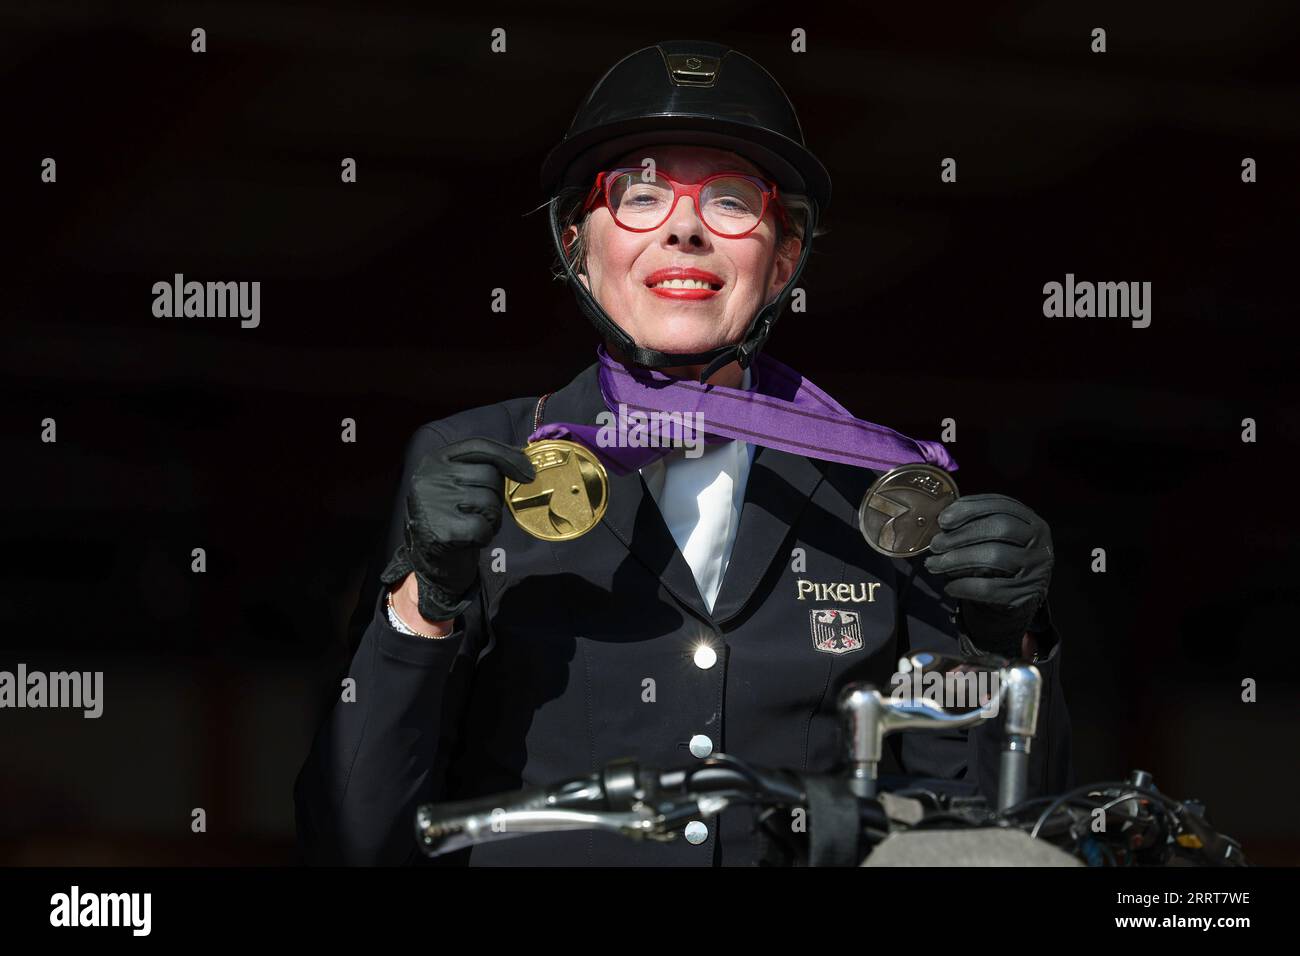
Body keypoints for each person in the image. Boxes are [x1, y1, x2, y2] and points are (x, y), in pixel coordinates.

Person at [294, 39, 1072, 866]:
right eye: (640, 195)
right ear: (578, 248)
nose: (687, 230)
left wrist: (1002, 653)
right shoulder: (472, 459)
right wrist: (422, 606)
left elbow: (986, 840)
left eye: (732, 201)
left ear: (780, 262)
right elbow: (352, 834)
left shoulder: (884, 487)